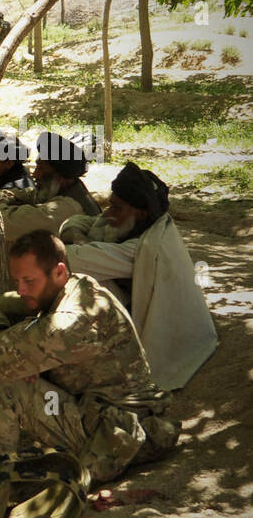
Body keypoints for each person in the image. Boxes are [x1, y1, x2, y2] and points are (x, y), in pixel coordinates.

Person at [0, 230, 179, 486]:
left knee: (3, 389)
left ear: (58, 272)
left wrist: (8, 349)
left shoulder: (70, 323)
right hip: (101, 413)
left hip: (116, 434)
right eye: (17, 280)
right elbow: (5, 304)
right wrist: (9, 341)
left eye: (29, 281)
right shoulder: (76, 286)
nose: (21, 290)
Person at [60, 162, 217, 390]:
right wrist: (79, 235)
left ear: (141, 212)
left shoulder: (144, 248)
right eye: (111, 205)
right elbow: (77, 221)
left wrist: (79, 242)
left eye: (117, 207)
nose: (109, 213)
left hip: (168, 342)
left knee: (86, 282)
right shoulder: (127, 221)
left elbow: (75, 258)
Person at [0, 131, 101, 243]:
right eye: (37, 166)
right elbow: (26, 194)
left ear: (61, 177)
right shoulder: (59, 188)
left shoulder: (66, 207)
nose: (35, 174)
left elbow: (7, 224)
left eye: (41, 168)